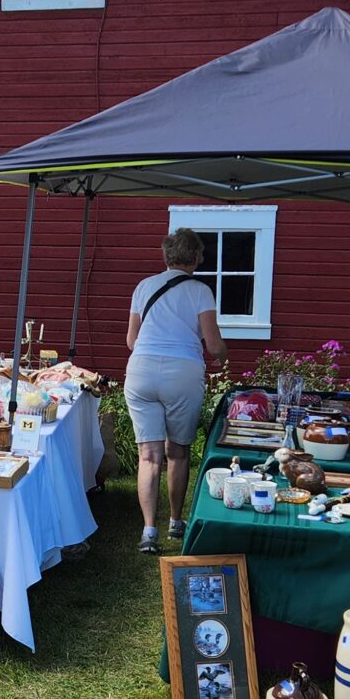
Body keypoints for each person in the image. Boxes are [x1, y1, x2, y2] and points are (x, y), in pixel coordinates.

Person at [125, 228, 225, 554]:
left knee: (148, 455)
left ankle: (148, 531)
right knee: (177, 452)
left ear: (166, 255)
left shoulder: (143, 287)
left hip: (141, 370)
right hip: (183, 373)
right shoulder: (200, 291)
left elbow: (131, 341)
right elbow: (212, 344)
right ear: (196, 257)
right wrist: (224, 355)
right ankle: (176, 522)